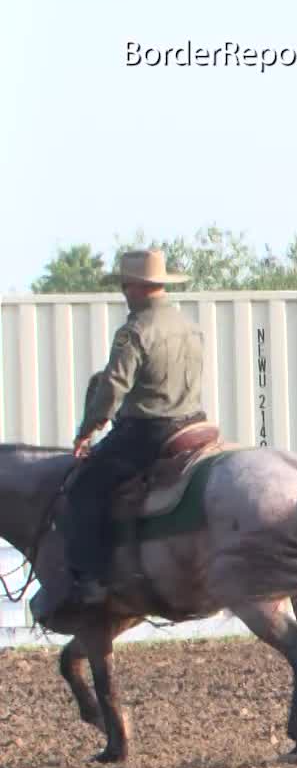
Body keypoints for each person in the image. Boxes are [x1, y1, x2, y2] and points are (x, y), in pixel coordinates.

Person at [43, 249, 207, 615]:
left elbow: (113, 387)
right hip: (194, 423)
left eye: (124, 285)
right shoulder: (190, 326)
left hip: (149, 432)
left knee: (84, 487)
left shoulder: (135, 331)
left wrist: (88, 429)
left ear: (136, 287)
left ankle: (91, 581)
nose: (123, 292)